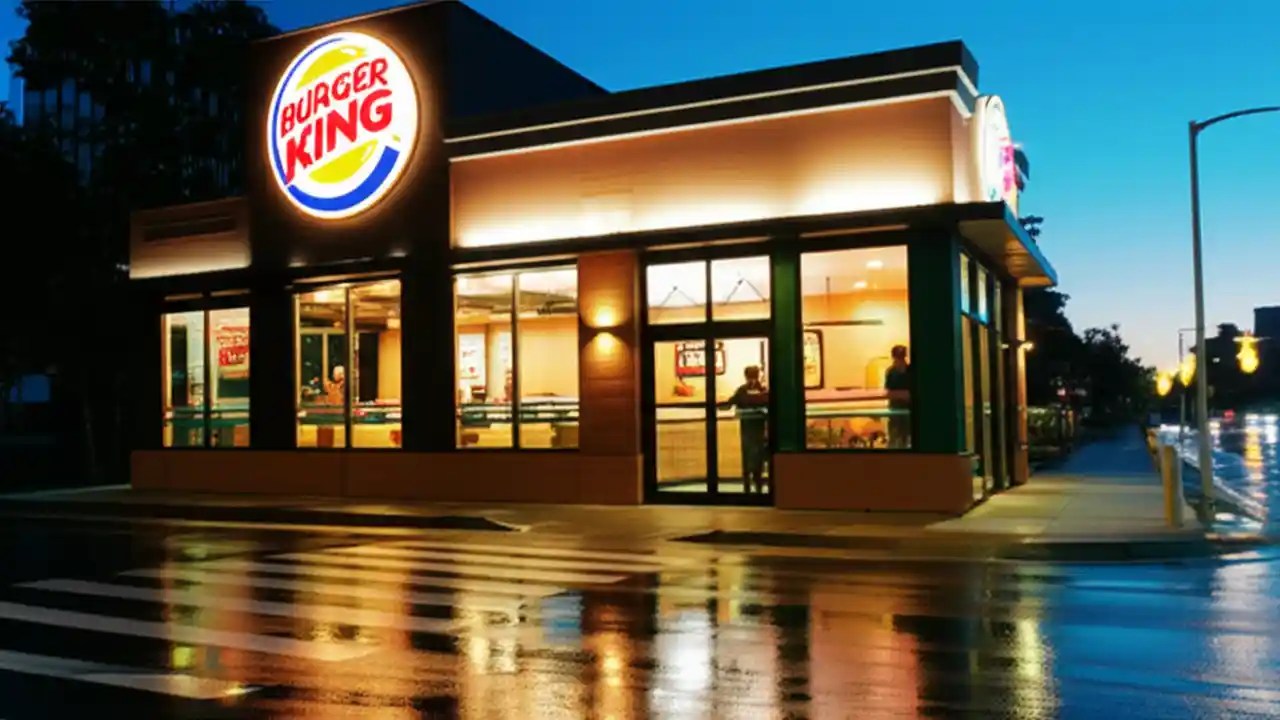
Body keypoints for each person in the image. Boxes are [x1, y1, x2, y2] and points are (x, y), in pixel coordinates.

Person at [720, 365, 769, 493]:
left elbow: (731, 402)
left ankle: (754, 484)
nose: (752, 379)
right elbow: (731, 402)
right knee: (752, 456)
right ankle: (751, 484)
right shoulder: (755, 390)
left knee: (753, 456)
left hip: (754, 429)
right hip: (752, 429)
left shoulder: (753, 390)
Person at [884, 345, 911, 448]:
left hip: (905, 407)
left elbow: (888, 390)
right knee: (897, 433)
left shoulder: (893, 371)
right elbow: (888, 390)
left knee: (904, 434)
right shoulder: (891, 372)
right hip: (897, 407)